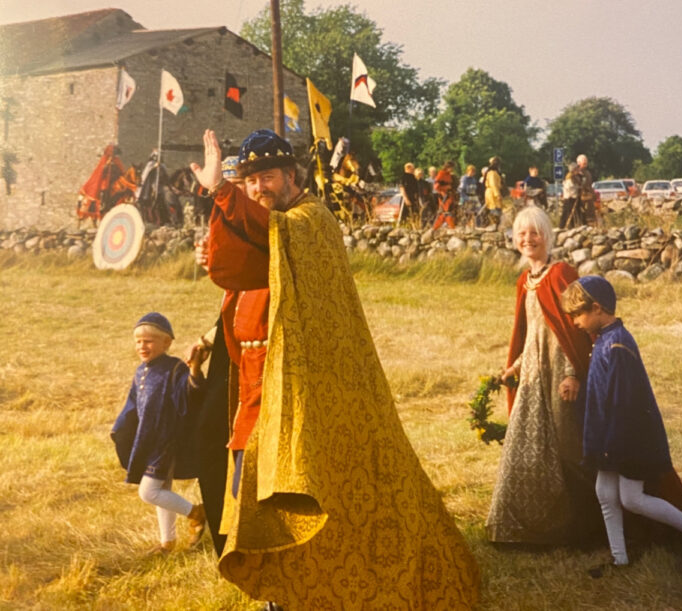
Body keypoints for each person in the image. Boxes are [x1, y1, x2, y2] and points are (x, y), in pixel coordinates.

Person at [189, 129, 479, 608]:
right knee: (251, 492)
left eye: (267, 177)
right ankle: (276, 594)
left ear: (291, 175)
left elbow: (266, 234)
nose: (258, 187)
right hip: (253, 386)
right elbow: (242, 276)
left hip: (301, 390)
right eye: (250, 181)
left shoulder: (308, 221)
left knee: (292, 491)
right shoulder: (274, 229)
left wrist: (221, 191)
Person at [560, 276, 682, 573]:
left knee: (632, 499)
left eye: (577, 315)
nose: (574, 322)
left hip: (627, 441)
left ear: (597, 308)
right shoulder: (602, 340)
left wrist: (611, 450)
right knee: (605, 493)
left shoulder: (617, 345)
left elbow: (622, 403)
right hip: (607, 439)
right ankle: (620, 558)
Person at [486, 206, 600, 545]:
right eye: (521, 234)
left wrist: (574, 374)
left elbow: (573, 331)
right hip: (534, 378)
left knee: (569, 448)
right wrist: (515, 368)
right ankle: (540, 526)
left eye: (534, 233)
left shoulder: (561, 273)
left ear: (546, 236)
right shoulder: (525, 281)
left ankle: (592, 526)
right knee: (529, 450)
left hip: (561, 377)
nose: (527, 239)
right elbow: (533, 334)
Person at [111, 312, 209, 555]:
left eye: (149, 341)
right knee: (161, 490)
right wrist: (121, 429)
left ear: (167, 343)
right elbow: (133, 405)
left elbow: (192, 393)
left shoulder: (174, 368)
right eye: (138, 342)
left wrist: (195, 369)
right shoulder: (140, 372)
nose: (142, 346)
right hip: (148, 440)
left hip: (167, 440)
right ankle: (168, 542)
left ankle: (197, 513)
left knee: (149, 492)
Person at [433, 160, 457, 229]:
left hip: (449, 196)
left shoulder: (449, 175)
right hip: (443, 196)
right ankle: (451, 228)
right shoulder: (441, 174)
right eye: (452, 167)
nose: (452, 169)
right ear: (448, 167)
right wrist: (446, 187)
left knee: (446, 213)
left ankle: (436, 228)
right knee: (446, 213)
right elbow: (436, 187)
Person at [559, 162, 580, 228]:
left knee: (573, 214)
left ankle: (572, 227)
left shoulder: (575, 178)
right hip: (569, 198)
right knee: (567, 214)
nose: (578, 170)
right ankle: (563, 227)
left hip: (573, 198)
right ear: (573, 170)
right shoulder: (569, 178)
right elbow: (569, 188)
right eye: (577, 169)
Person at [483, 156, 504, 225]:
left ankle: (496, 225)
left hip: (493, 193)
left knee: (497, 210)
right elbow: (493, 184)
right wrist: (497, 194)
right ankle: (494, 225)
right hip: (492, 193)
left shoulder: (495, 173)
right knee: (494, 210)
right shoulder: (492, 173)